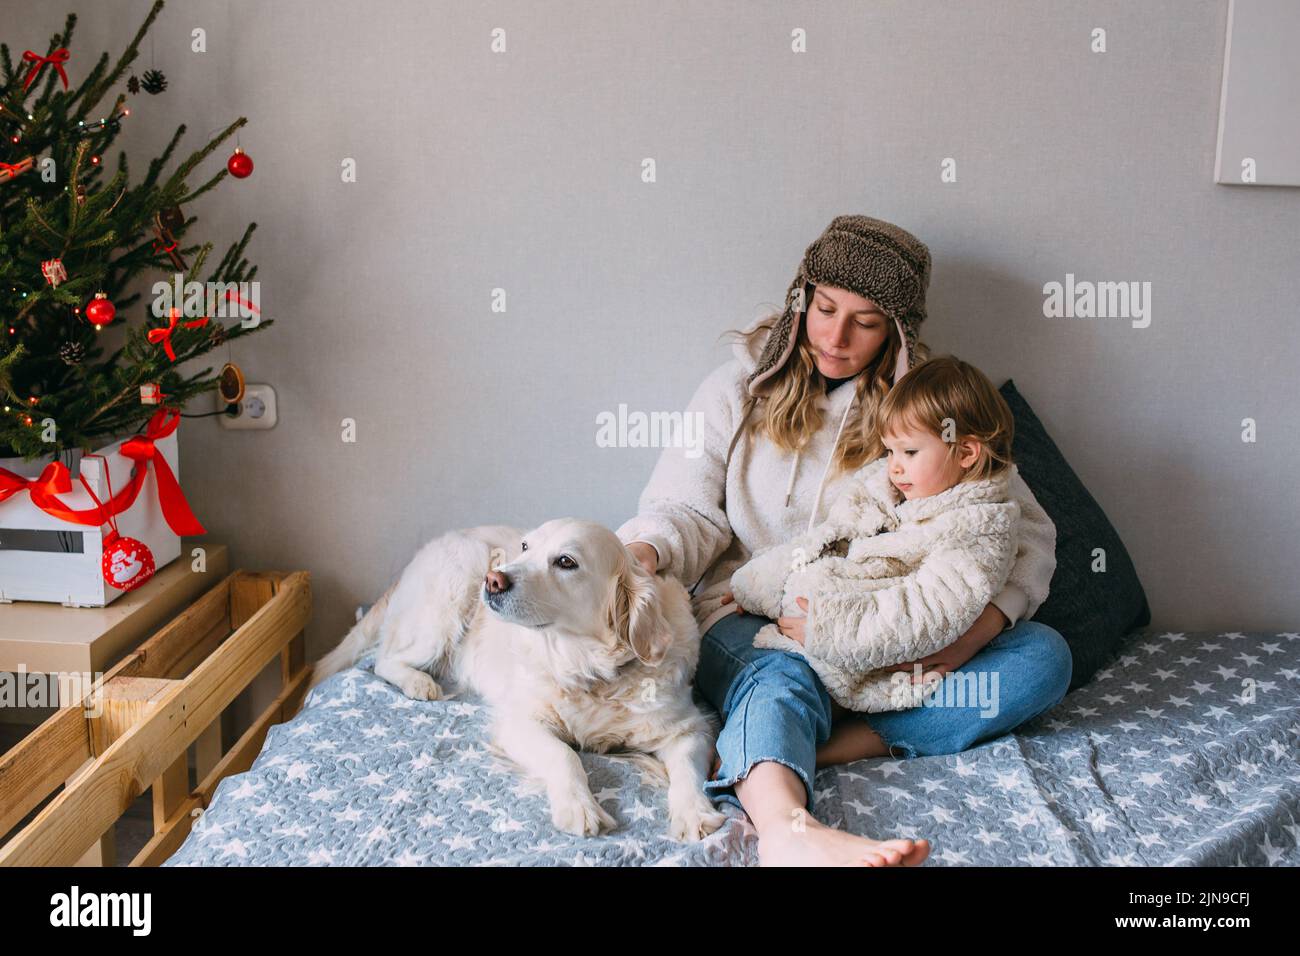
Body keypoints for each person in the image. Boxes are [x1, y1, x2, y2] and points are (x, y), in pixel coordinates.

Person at [617, 215, 1071, 866]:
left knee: (1042, 658)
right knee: (780, 677)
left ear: (897, 331)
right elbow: (681, 507)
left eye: (865, 321)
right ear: (801, 299)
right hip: (756, 616)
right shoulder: (731, 392)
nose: (835, 336)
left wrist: (971, 636)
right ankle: (786, 830)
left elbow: (1021, 527)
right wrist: (645, 553)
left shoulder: (929, 405)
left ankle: (820, 744)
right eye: (824, 308)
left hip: (891, 631)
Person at [727, 355, 1034, 719]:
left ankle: (847, 737)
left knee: (1041, 657)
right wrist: (759, 581)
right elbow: (827, 539)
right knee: (773, 683)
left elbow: (924, 610)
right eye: (890, 451)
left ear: (966, 452)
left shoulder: (979, 528)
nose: (895, 465)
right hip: (816, 616)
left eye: (909, 452)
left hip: (870, 649)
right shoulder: (886, 488)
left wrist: (830, 631)